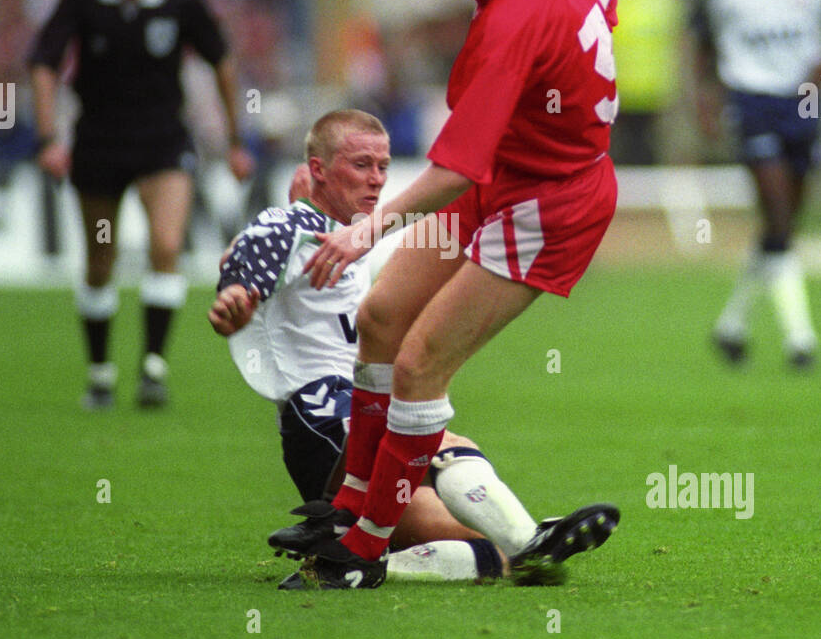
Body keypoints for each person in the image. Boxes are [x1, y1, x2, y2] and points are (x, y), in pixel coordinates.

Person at [273, 0, 622, 589]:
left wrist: (370, 228)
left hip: (546, 205)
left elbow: (455, 168)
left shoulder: (507, 23)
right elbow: (604, 4)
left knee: (419, 365)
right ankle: (349, 506)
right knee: (381, 316)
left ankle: (366, 549)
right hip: (507, 177)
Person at [209, 109, 617, 587]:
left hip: (358, 408)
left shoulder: (345, 232)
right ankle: (514, 544)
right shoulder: (289, 224)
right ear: (318, 169)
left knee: (455, 459)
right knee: (465, 510)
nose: (377, 180)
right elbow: (251, 251)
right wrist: (237, 293)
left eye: (383, 166)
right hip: (326, 422)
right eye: (361, 165)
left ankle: (522, 546)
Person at [28, 0, 254, 409]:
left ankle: (153, 366)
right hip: (99, 144)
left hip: (163, 142)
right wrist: (48, 137)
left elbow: (222, 60)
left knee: (167, 245)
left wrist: (236, 140)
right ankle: (100, 371)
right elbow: (44, 63)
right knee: (100, 260)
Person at [691, 0, 821, 368]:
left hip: (801, 102)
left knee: (783, 228)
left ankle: (731, 326)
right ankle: (801, 340)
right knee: (779, 218)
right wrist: (706, 99)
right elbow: (702, 44)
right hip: (752, 100)